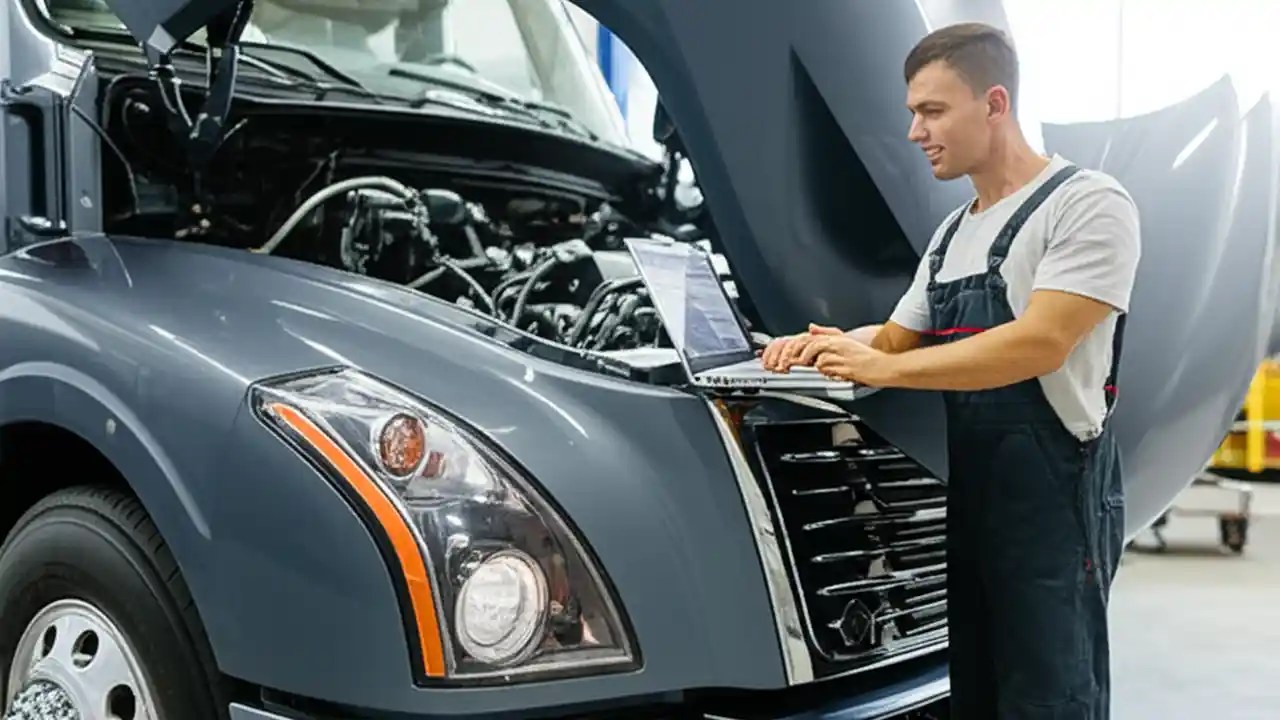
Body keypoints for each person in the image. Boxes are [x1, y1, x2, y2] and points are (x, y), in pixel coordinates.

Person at [761, 21, 1141, 720]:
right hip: (976, 497)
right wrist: (824, 345)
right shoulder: (952, 234)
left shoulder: (1086, 204)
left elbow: (1039, 343)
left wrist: (882, 367)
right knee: (977, 690)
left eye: (932, 111)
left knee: (1051, 695)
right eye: (913, 113)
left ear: (994, 104)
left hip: (1057, 501)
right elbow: (897, 338)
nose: (915, 132)